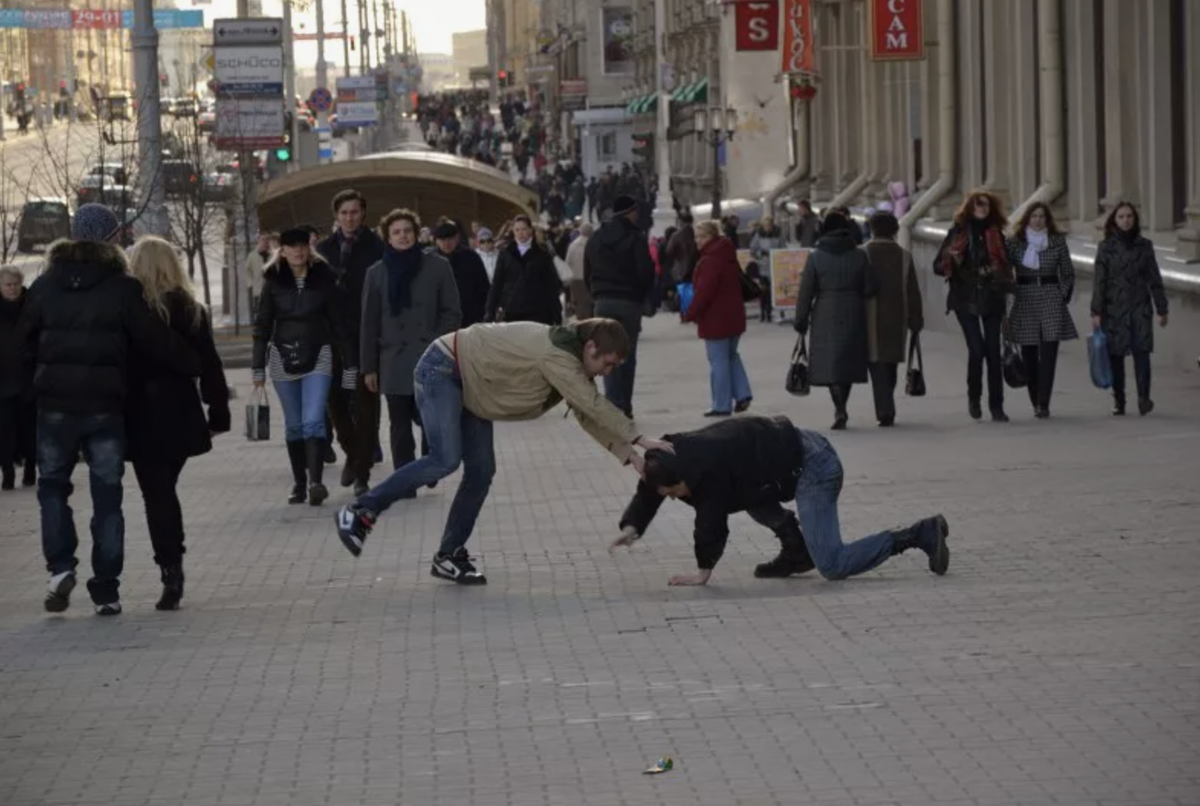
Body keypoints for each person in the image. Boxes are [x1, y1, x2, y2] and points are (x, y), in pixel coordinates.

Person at [333, 319, 672, 585]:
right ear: (592, 346)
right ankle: (361, 511)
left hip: (474, 386)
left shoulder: (572, 356)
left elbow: (586, 412)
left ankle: (449, 556)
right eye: (607, 364)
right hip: (444, 369)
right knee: (445, 458)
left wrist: (631, 455)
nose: (607, 372)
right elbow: (592, 403)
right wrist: (641, 437)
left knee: (481, 472)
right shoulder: (557, 355)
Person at [17, 204, 201, 615]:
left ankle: (60, 568)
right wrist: (192, 363)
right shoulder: (123, 288)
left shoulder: (44, 285)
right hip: (105, 409)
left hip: (55, 409)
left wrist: (35, 388)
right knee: (107, 496)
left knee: (51, 489)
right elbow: (152, 340)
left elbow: (22, 344)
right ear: (112, 237)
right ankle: (106, 588)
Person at [610, 416, 949, 586]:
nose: (672, 498)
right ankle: (796, 552)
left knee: (832, 564)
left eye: (674, 492)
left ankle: (919, 534)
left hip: (814, 466)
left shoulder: (707, 470)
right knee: (746, 494)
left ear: (682, 477)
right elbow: (652, 486)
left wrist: (702, 573)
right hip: (780, 460)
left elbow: (710, 524)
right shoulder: (671, 458)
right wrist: (632, 526)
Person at [125, 237, 230, 611]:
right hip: (181, 412)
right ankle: (174, 562)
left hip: (139, 414)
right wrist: (218, 414)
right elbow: (211, 365)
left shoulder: (130, 310)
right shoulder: (192, 309)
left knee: (157, 495)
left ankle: (171, 568)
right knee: (164, 490)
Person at [253, 227, 356, 505]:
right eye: (292, 246)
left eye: (303, 246)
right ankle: (299, 482)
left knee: (313, 421)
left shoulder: (324, 279)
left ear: (309, 249)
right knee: (294, 425)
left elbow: (339, 324)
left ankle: (316, 483)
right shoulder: (272, 281)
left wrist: (349, 364)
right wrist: (257, 366)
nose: (298, 251)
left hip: (318, 352)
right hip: (281, 356)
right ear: (281, 250)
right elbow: (262, 325)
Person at [362, 209, 461, 483]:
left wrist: (439, 344)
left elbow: (452, 311)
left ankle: (430, 466)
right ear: (388, 237)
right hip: (392, 358)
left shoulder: (438, 266)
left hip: (429, 355)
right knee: (399, 424)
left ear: (416, 234)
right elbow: (368, 323)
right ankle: (405, 478)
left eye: (407, 231)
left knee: (429, 419)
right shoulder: (376, 273)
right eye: (396, 232)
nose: (402, 236)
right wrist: (368, 366)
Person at [315, 190, 385, 494]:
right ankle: (354, 454)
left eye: (354, 212)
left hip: (365, 337)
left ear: (363, 214)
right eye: (344, 213)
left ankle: (362, 475)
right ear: (336, 216)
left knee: (366, 404)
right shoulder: (323, 249)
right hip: (331, 338)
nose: (349, 218)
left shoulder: (377, 248)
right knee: (336, 403)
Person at [934, 190, 1015, 422]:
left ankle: (997, 406)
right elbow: (937, 266)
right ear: (969, 208)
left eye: (986, 206)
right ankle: (974, 397)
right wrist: (951, 257)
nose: (982, 209)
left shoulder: (996, 235)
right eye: (978, 205)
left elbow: (1008, 265)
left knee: (993, 352)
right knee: (977, 349)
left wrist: (997, 270)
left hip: (992, 297)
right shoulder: (957, 233)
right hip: (965, 298)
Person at [793, 212, 877, 430]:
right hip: (853, 310)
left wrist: (800, 320)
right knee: (847, 360)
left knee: (830, 361)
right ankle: (843, 403)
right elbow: (870, 288)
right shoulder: (859, 255)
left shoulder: (816, 256)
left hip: (824, 311)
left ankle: (838, 406)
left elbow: (806, 292)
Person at [1090, 202, 1169, 416]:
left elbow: (1154, 278)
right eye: (1121, 217)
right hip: (1114, 308)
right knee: (1115, 356)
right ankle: (1119, 399)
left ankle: (1144, 397)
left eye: (1129, 217)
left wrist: (1162, 308)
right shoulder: (1106, 247)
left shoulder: (1144, 246)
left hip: (1139, 307)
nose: (1126, 220)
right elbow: (1100, 282)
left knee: (1142, 353)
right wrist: (1096, 312)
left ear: (1135, 220)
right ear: (1114, 221)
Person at [584, 194, 655, 418]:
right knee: (627, 354)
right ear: (630, 213)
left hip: (603, 303)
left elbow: (587, 272)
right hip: (629, 303)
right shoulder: (636, 238)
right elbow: (645, 272)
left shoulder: (595, 238)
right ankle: (625, 406)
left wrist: (597, 294)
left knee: (606, 353)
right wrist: (640, 295)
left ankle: (612, 404)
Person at [1005, 202, 1077, 418]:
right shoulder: (1015, 243)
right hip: (1025, 296)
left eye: (1042, 217)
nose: (1038, 220)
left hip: (1050, 295)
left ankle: (1043, 403)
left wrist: (1062, 295)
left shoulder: (1056, 241)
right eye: (1034, 216)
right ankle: (1035, 397)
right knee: (1029, 354)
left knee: (1048, 353)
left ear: (1047, 220)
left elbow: (1068, 272)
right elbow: (1005, 270)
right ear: (1027, 219)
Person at [683, 221, 752, 417]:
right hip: (735, 315)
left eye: (702, 237)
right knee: (731, 355)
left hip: (716, 319)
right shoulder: (727, 254)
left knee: (718, 361)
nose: (698, 241)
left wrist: (690, 313)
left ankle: (721, 405)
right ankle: (742, 393)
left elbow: (705, 292)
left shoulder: (710, 260)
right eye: (696, 237)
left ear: (712, 237)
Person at [862, 211, 923, 427]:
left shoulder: (862, 253)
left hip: (869, 317)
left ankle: (885, 409)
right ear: (895, 231)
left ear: (871, 229)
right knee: (890, 364)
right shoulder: (904, 256)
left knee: (876, 364)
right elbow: (913, 290)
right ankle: (887, 403)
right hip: (897, 317)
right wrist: (916, 318)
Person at [485, 214, 563, 325]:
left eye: (523, 229)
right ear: (513, 231)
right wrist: (490, 310)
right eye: (517, 230)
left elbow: (550, 286)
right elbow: (497, 283)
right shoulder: (505, 254)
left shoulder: (542, 255)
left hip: (538, 312)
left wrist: (556, 313)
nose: (520, 233)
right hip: (512, 311)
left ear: (530, 230)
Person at [0, 265, 35, 490]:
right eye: (8, 285)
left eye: (16, 284)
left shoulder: (32, 306)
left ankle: (31, 467)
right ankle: (8, 471)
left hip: (28, 377)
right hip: (2, 378)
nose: (13, 289)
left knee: (29, 427)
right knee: (4, 429)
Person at [432, 219, 490, 327]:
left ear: (457, 238)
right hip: (439, 319)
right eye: (442, 239)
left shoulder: (471, 257)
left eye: (450, 238)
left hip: (469, 317)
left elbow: (484, 287)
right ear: (436, 241)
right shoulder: (430, 259)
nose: (446, 243)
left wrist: (483, 314)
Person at [565, 222, 593, 319]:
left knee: (579, 303)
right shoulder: (592, 245)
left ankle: (580, 323)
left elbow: (567, 262)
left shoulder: (573, 245)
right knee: (588, 304)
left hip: (575, 279)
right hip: (588, 279)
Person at [244, 231, 277, 315]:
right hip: (258, 289)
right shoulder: (252, 255)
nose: (265, 242)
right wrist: (250, 283)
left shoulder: (274, 255)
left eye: (267, 240)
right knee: (260, 312)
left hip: (273, 289)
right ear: (258, 241)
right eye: (263, 239)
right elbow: (247, 270)